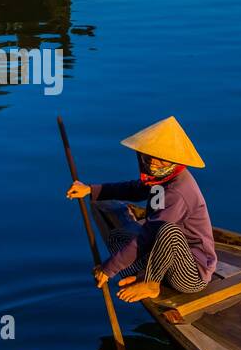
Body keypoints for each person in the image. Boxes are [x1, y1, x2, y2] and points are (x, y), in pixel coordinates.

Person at [67, 115, 216, 304]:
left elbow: (149, 235)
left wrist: (108, 269)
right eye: (150, 156)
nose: (153, 162)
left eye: (162, 159)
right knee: (117, 237)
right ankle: (147, 274)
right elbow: (135, 189)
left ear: (174, 160)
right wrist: (90, 189)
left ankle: (151, 284)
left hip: (191, 274)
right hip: (164, 259)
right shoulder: (161, 178)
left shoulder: (178, 191)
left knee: (167, 231)